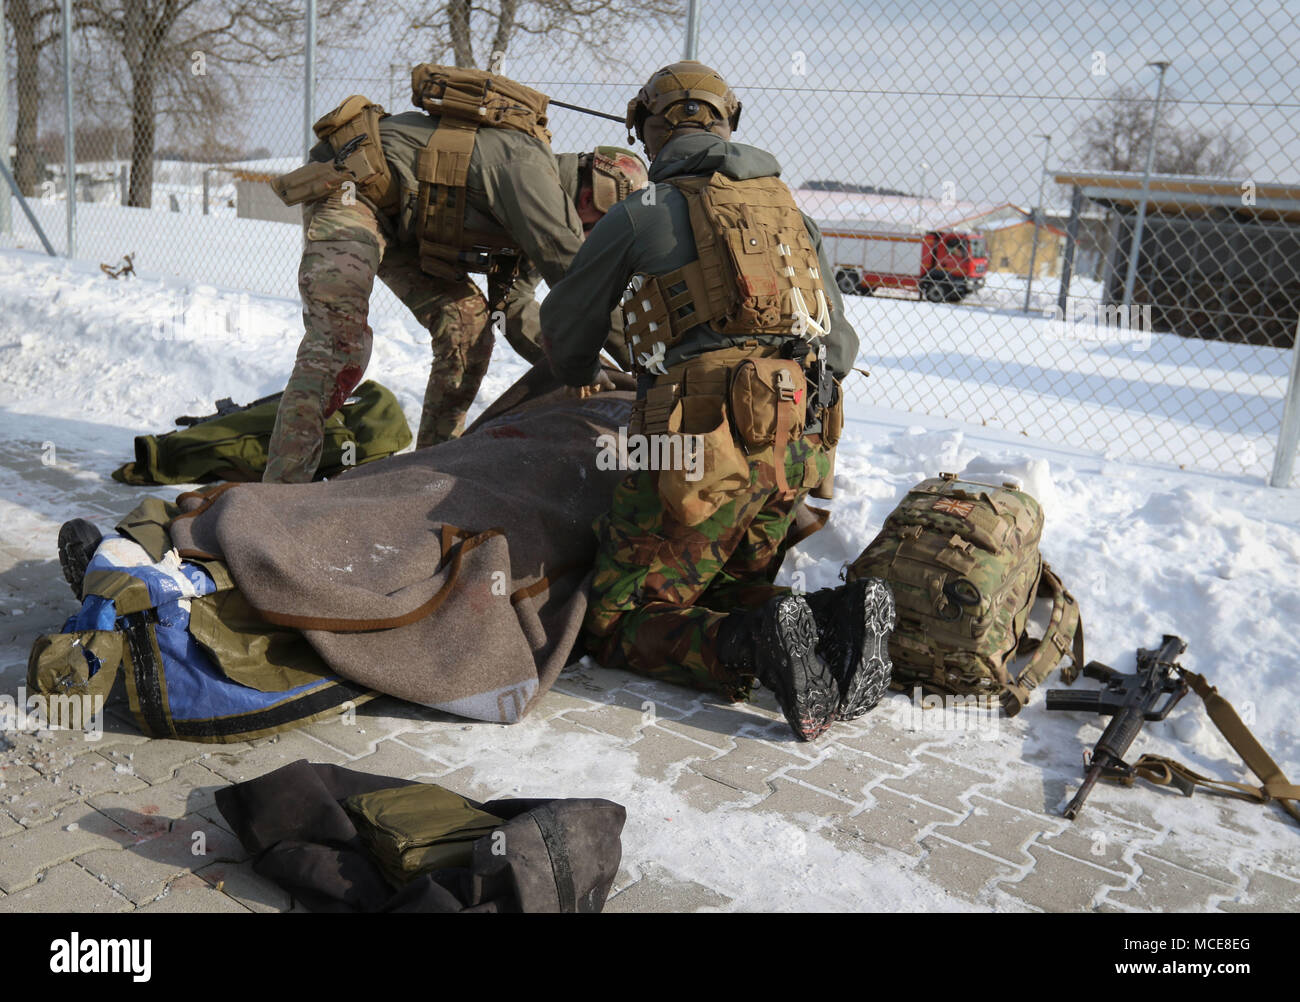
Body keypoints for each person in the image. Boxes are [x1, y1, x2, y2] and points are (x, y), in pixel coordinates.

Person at [538, 61, 895, 742]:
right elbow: (841, 348)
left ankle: (753, 648)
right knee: (725, 586)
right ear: (727, 119)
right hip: (798, 444)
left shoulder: (643, 211)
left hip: (699, 445)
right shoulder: (795, 215)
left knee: (618, 619)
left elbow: (565, 326)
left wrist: (580, 370)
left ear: (652, 126)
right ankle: (835, 624)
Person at [263, 69, 648, 484]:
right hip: (353, 194)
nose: (597, 245)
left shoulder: (550, 218)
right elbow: (580, 281)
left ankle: (427, 471)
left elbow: (515, 310)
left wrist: (601, 375)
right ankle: (281, 491)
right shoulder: (529, 172)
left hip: (409, 231)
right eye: (602, 231)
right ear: (590, 200)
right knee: (339, 343)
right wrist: (647, 362)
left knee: (469, 329)